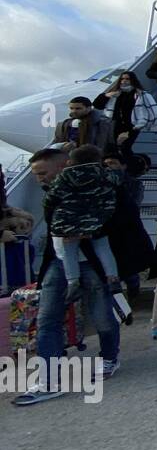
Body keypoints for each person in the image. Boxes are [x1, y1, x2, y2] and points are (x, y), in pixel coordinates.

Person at [12, 148, 122, 406]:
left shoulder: (102, 185)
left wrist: (89, 231)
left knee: (103, 317)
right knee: (47, 318)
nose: (39, 179)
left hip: (91, 262)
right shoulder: (53, 193)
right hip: (57, 262)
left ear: (63, 167)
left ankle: (109, 356)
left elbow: (122, 219)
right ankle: (49, 381)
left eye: (43, 173)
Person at [43, 144, 120, 305]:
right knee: (103, 247)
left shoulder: (65, 176)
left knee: (68, 250)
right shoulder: (106, 173)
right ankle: (113, 278)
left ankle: (73, 283)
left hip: (68, 222)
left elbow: (51, 199)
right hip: (98, 219)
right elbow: (118, 183)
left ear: (72, 160)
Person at [102, 149, 153, 305]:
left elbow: (134, 204)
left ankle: (133, 293)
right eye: (105, 164)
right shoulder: (101, 182)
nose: (108, 167)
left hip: (128, 230)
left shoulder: (133, 183)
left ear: (123, 166)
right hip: (109, 230)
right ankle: (118, 298)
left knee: (129, 267)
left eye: (112, 163)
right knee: (113, 267)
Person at [93, 71, 157, 155]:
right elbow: (97, 105)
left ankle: (130, 165)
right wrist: (106, 96)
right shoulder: (114, 93)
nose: (124, 81)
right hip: (115, 124)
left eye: (127, 79)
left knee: (125, 147)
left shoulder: (140, 94)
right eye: (122, 79)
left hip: (132, 125)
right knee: (113, 148)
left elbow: (150, 109)